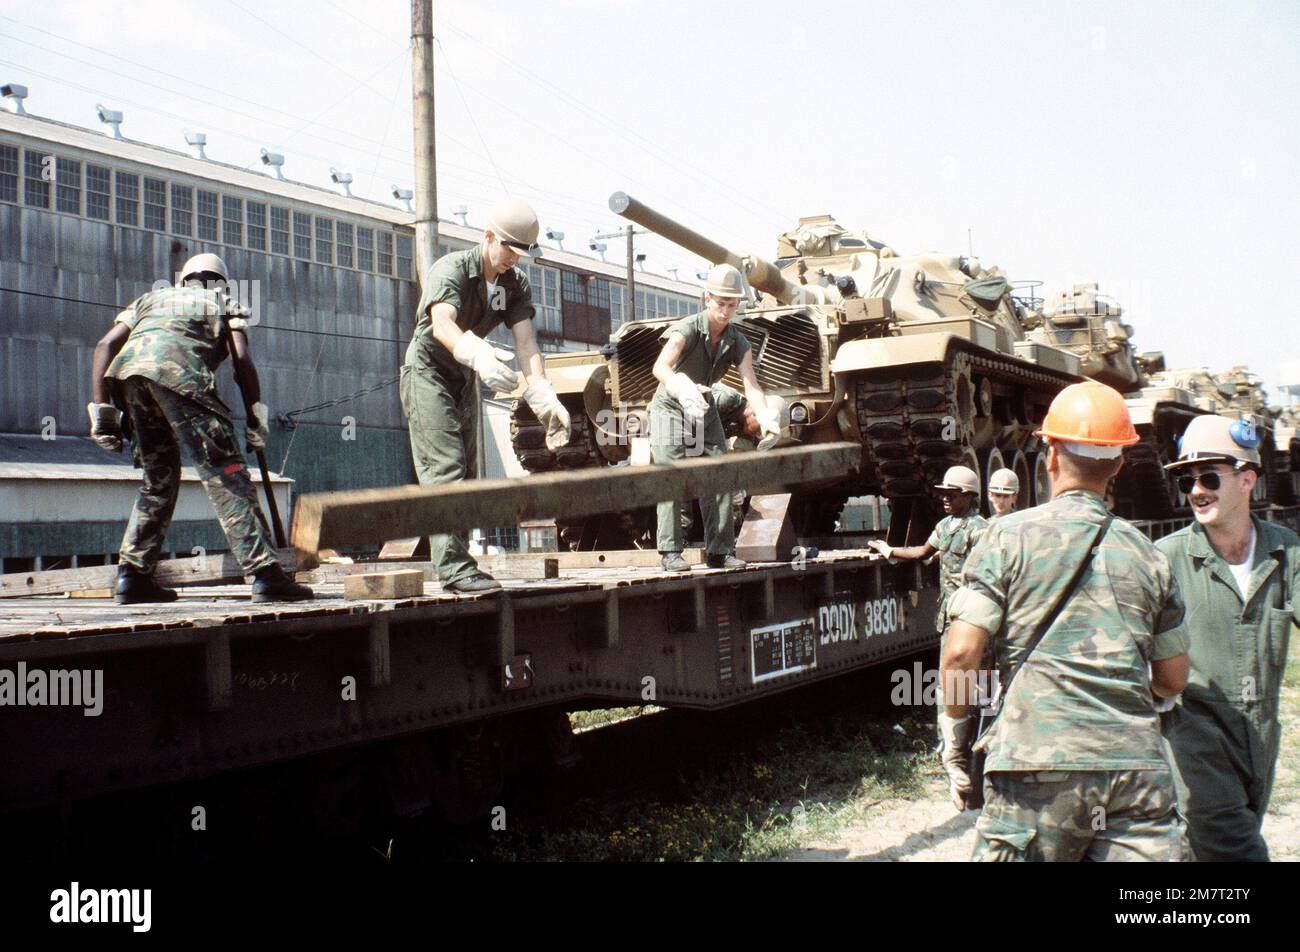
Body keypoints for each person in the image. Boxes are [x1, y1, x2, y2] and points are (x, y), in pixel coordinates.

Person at [941, 381, 1190, 861]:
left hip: (1034, 769)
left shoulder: (1005, 538)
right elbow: (1173, 677)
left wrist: (956, 730)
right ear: (1119, 463)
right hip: (1134, 773)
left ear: (1050, 454)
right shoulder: (1151, 556)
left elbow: (959, 653)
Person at [88, 253, 312, 604]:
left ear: (181, 281)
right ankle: (266, 574)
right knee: (228, 475)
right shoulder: (223, 302)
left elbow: (104, 345)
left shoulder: (150, 299)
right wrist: (256, 416)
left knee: (158, 478)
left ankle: (132, 576)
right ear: (222, 281)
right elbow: (241, 362)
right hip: (181, 379)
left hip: (130, 379)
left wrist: (101, 410)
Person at [400, 198, 570, 594]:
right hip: (429, 371)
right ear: (489, 237)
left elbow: (526, 342)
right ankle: (456, 570)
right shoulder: (452, 269)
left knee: (470, 475)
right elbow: (442, 324)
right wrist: (476, 353)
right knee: (446, 467)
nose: (515, 258)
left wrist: (540, 389)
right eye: (510, 248)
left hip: (463, 375)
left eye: (522, 252)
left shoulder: (514, 284)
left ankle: (459, 565)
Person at [1157, 414, 1298, 861]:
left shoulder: (1286, 550)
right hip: (1192, 737)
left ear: (1247, 479)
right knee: (1237, 851)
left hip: (1260, 736)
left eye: (1209, 477)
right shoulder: (1166, 559)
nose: (1197, 490)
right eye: (1187, 481)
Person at [650, 264, 780, 572]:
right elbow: (661, 367)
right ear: (707, 299)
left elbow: (751, 383)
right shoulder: (688, 329)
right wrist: (680, 386)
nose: (724, 310)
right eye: (719, 303)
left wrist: (763, 414)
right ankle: (670, 551)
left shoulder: (737, 341)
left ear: (738, 305)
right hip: (671, 405)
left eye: (731, 304)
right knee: (670, 476)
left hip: (704, 407)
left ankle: (720, 551)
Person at [869, 465, 987, 649]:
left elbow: (987, 574)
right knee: (949, 673)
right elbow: (922, 552)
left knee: (976, 671)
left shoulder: (980, 529)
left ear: (968, 496)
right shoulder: (944, 526)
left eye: (951, 495)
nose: (944, 499)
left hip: (971, 613)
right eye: (943, 494)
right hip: (949, 612)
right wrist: (889, 550)